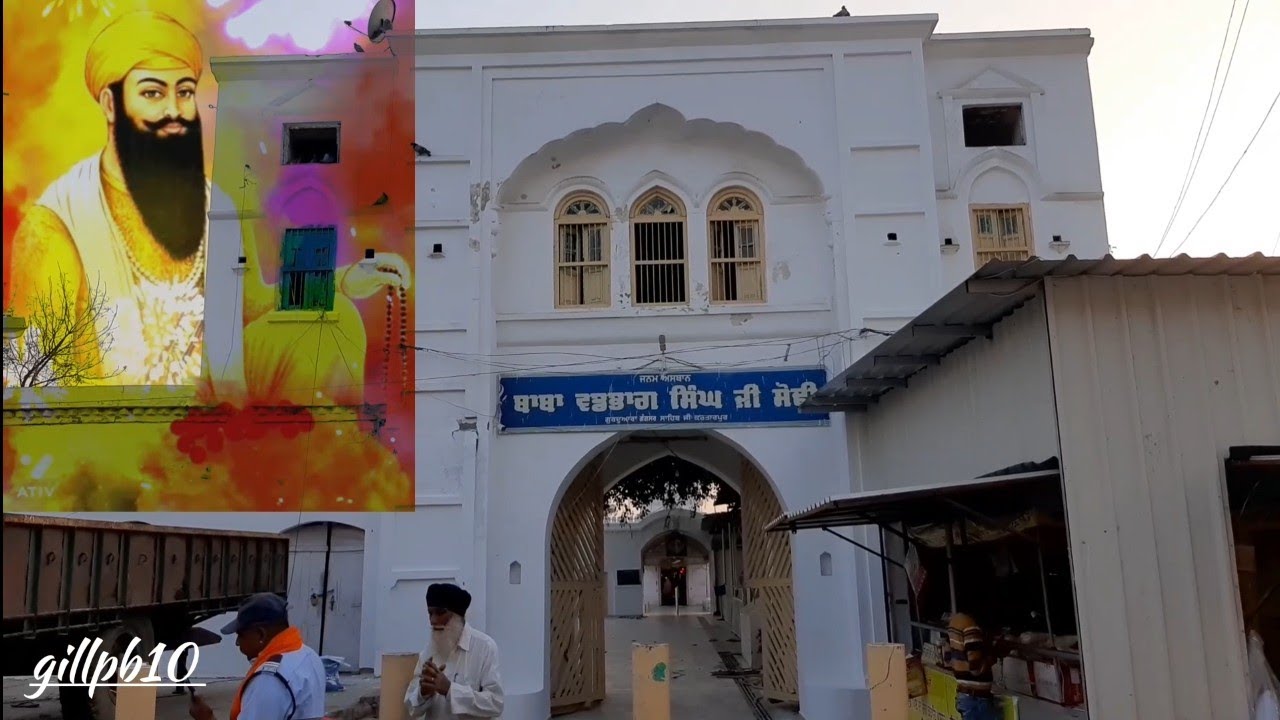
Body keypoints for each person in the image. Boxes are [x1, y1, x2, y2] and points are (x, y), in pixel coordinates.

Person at [8, 10, 412, 390]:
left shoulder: (211, 203)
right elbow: (37, 380)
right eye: (152, 93)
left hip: (211, 392)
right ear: (110, 105)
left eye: (184, 92)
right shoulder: (55, 227)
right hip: (111, 417)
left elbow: (246, 304)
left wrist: (345, 279)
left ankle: (310, 441)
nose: (174, 111)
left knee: (336, 321)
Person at [189, 593, 327, 720]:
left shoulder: (269, 680)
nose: (237, 643)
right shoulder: (309, 655)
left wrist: (207, 718)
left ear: (261, 634)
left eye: (240, 635)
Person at [404, 583, 504, 718]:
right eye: (430, 613)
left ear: (457, 616)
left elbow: (496, 703)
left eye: (440, 612)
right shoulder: (428, 652)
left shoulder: (485, 647)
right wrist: (423, 693)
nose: (433, 620)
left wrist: (450, 690)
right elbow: (412, 709)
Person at [945, 612, 1000, 720]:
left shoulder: (954, 623)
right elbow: (975, 668)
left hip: (965, 696)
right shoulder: (970, 627)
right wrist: (992, 657)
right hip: (976, 700)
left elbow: (947, 659)